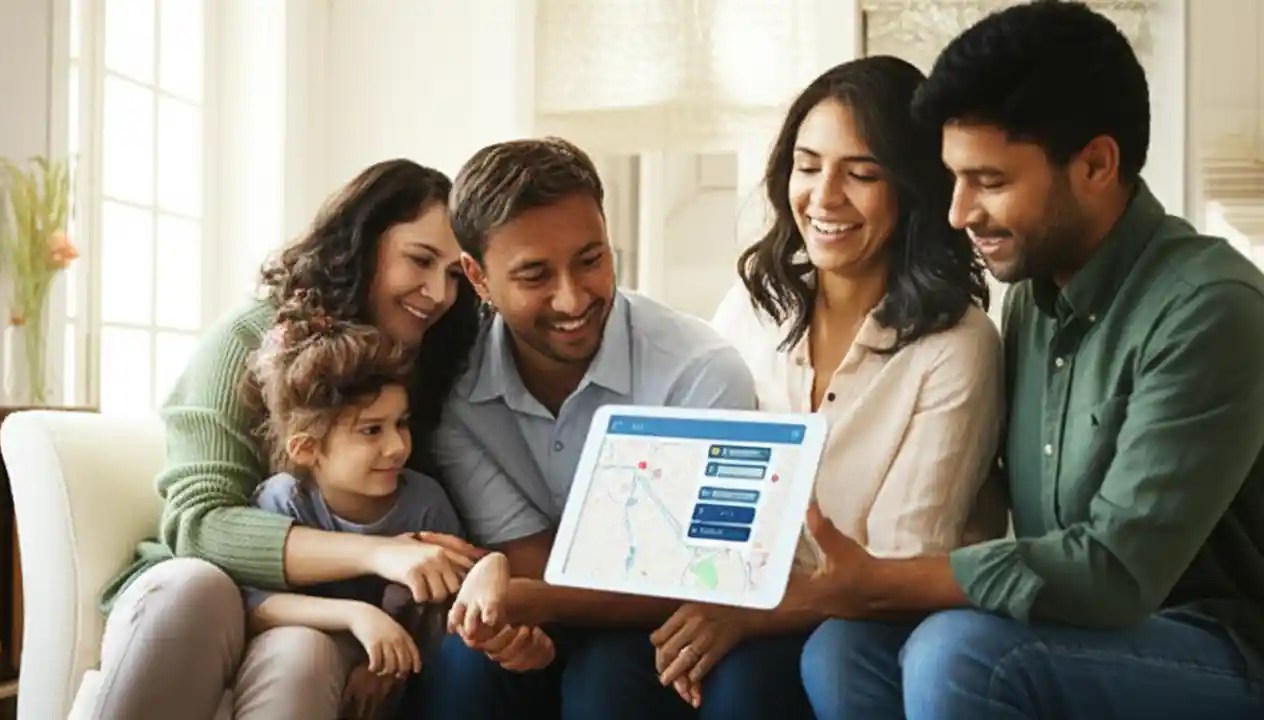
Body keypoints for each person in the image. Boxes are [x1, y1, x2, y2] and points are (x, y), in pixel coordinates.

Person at [797, 2, 1264, 718]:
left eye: (989, 181)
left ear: (1096, 165)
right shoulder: (1031, 297)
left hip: (1223, 645)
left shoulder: (1210, 306)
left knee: (962, 655)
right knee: (843, 648)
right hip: (1086, 635)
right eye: (953, 179)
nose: (957, 213)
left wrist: (878, 581)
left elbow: (1113, 571)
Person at [646, 55, 1004, 717]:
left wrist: (749, 613)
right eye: (808, 167)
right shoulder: (754, 307)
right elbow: (702, 478)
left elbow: (899, 560)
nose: (824, 197)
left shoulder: (958, 345)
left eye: (862, 174)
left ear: (914, 187)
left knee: (755, 685)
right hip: (741, 593)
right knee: (613, 676)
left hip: (868, 622)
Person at [90, 159, 487, 720]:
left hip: (334, 623)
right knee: (193, 588)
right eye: (420, 260)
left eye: (454, 274)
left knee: (305, 651)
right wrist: (379, 553)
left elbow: (429, 527)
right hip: (208, 601)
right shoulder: (247, 339)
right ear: (362, 243)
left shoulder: (434, 363)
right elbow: (199, 527)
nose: (438, 292)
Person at [415, 137, 759, 720]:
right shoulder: (458, 388)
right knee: (464, 663)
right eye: (534, 275)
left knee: (606, 685)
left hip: (661, 616)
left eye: (591, 259)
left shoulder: (699, 372)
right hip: (544, 601)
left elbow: (695, 577)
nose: (572, 297)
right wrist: (514, 601)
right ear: (477, 277)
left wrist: (520, 594)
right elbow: (526, 559)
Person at [237, 294, 538, 720]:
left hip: (410, 672)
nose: (397, 447)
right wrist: (359, 617)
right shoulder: (283, 501)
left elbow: (446, 604)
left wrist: (389, 667)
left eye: (401, 423)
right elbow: (256, 606)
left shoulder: (423, 501)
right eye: (371, 430)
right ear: (307, 449)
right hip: (310, 660)